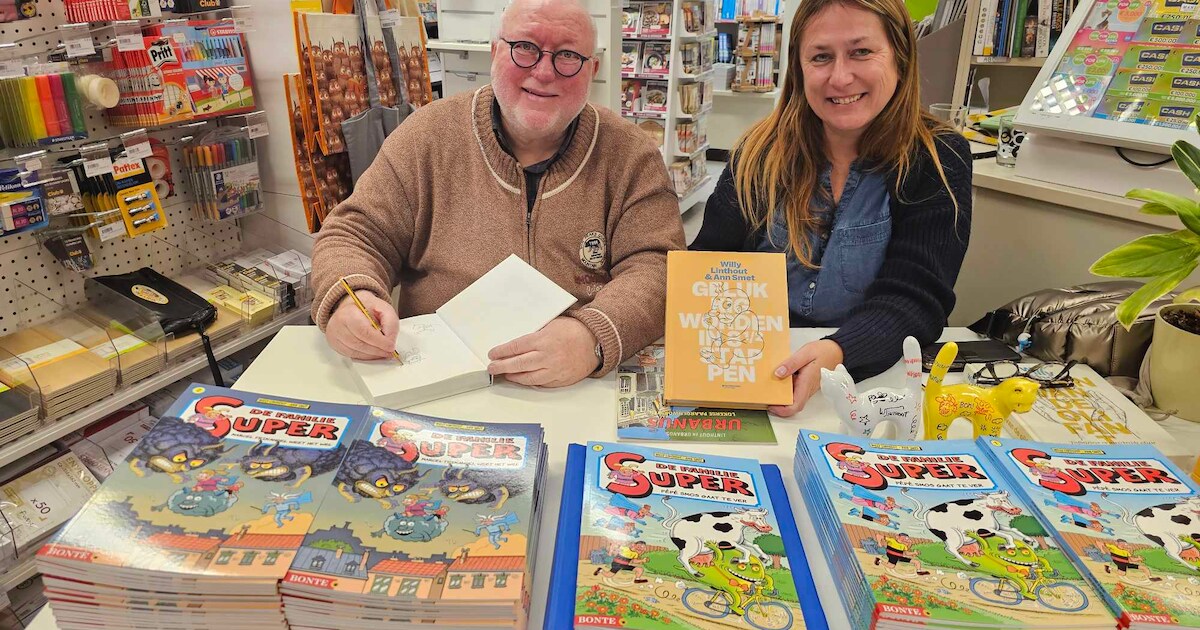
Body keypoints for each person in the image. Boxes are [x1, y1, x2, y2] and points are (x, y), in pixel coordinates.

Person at [311, 0, 684, 387]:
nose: (543, 72)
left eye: (568, 55)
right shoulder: (427, 136)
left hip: (577, 388)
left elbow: (658, 266)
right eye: (524, 47)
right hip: (436, 385)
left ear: (592, 69)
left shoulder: (631, 154)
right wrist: (348, 297)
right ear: (494, 52)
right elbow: (354, 233)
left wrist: (592, 337)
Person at [690, 0, 973, 417]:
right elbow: (709, 264)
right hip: (753, 371)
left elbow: (917, 297)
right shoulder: (756, 154)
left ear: (900, 57)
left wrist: (838, 351)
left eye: (861, 52)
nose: (840, 77)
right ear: (799, 68)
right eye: (821, 57)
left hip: (872, 384)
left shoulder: (936, 157)